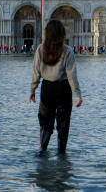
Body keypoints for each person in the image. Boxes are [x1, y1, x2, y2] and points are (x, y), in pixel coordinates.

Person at [30, 19, 83, 157]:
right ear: (62, 33)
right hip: (63, 90)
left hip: (47, 89)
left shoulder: (40, 49)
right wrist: (78, 94)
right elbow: (72, 75)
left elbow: (36, 72)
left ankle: (42, 151)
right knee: (63, 126)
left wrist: (32, 90)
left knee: (45, 125)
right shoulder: (68, 50)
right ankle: (61, 153)